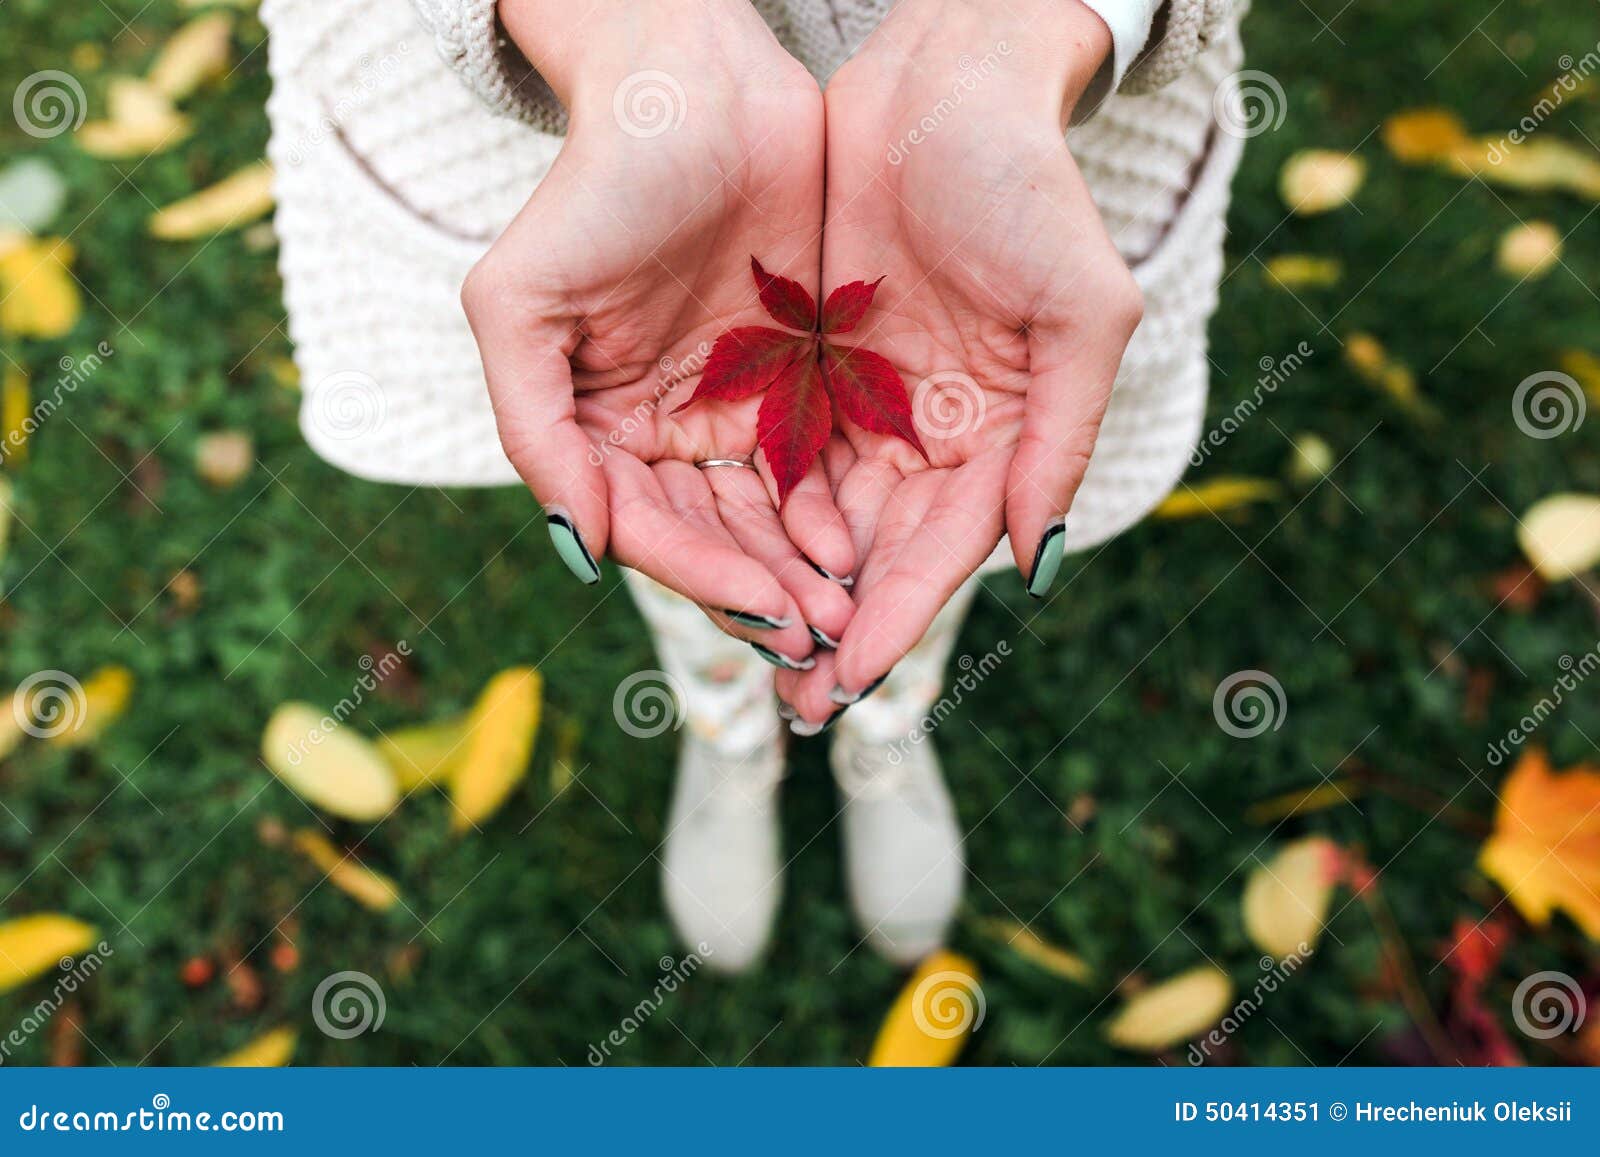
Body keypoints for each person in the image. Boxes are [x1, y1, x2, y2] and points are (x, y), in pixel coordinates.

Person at [262, 0, 1244, 971]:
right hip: (594, 114)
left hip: (1027, 117)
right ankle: (731, 721)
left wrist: (1009, 34)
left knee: (940, 481)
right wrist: (634, 39)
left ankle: (886, 714)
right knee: (672, 458)